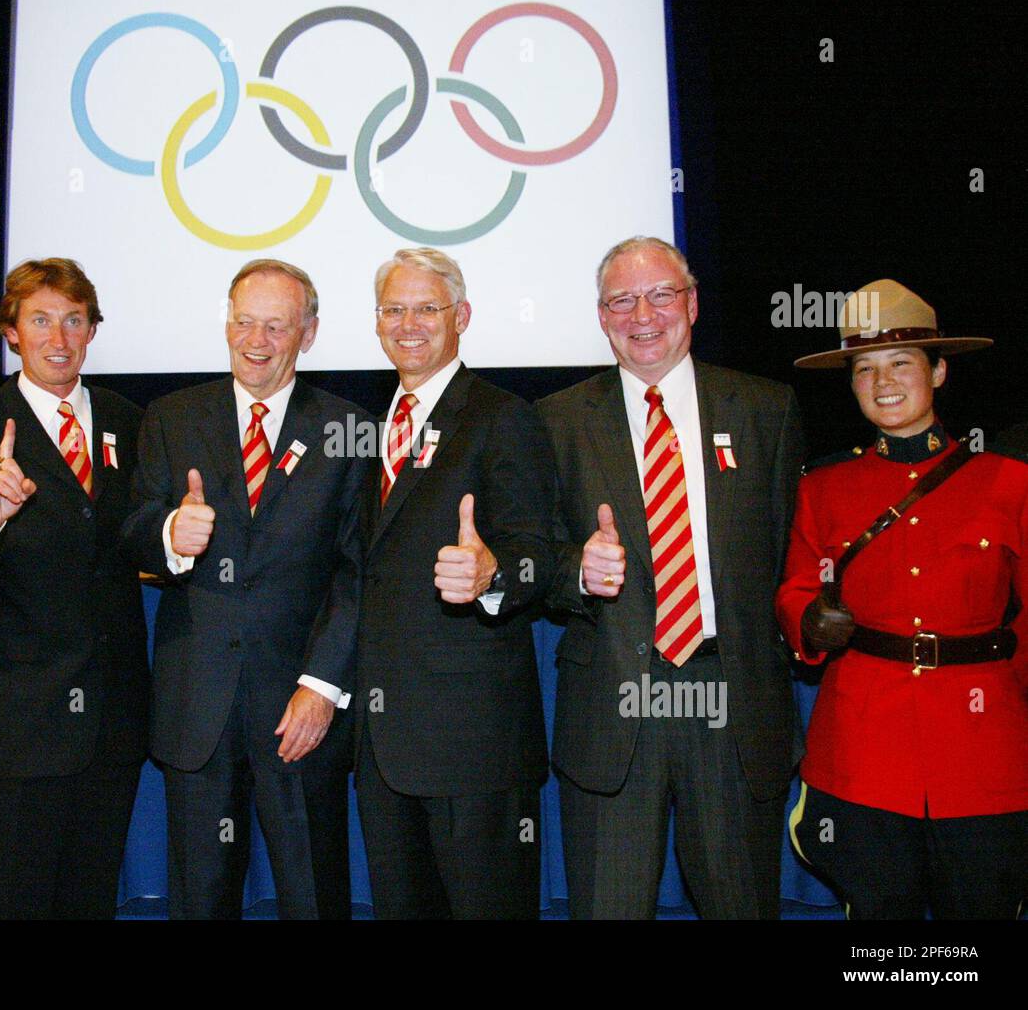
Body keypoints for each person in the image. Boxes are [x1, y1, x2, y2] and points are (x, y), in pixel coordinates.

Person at [538, 235, 805, 919]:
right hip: (612, 705)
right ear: (602, 317)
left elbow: (785, 550)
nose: (643, 314)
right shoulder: (555, 421)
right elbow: (531, 561)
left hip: (731, 702)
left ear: (691, 303)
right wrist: (577, 572)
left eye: (660, 294)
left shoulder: (766, 410)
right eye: (621, 301)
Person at [121, 259, 365, 919]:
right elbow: (135, 529)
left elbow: (357, 571)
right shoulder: (172, 418)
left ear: (307, 333)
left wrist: (321, 687)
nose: (256, 339)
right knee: (200, 900)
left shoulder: (348, 430)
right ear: (227, 323)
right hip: (196, 705)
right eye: (245, 321)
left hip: (300, 710)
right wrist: (173, 530)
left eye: (277, 325)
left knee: (313, 895)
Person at [778, 279, 1028, 919]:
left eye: (901, 364)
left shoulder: (1008, 482)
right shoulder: (825, 486)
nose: (882, 382)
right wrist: (809, 618)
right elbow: (799, 584)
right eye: (864, 369)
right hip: (864, 749)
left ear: (939, 371)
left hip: (984, 751)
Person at [0, 258, 148, 919]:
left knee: (91, 905)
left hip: (111, 726)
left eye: (74, 320)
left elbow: (142, 541)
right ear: (10, 332)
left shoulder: (131, 425)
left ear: (93, 330)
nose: (59, 338)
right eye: (41, 320)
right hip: (17, 732)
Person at [354, 246, 555, 919]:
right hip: (385, 743)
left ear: (461, 316)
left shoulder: (502, 416)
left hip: (475, 747)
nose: (408, 324)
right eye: (393, 310)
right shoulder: (370, 424)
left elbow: (539, 553)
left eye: (426, 309)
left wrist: (494, 572)